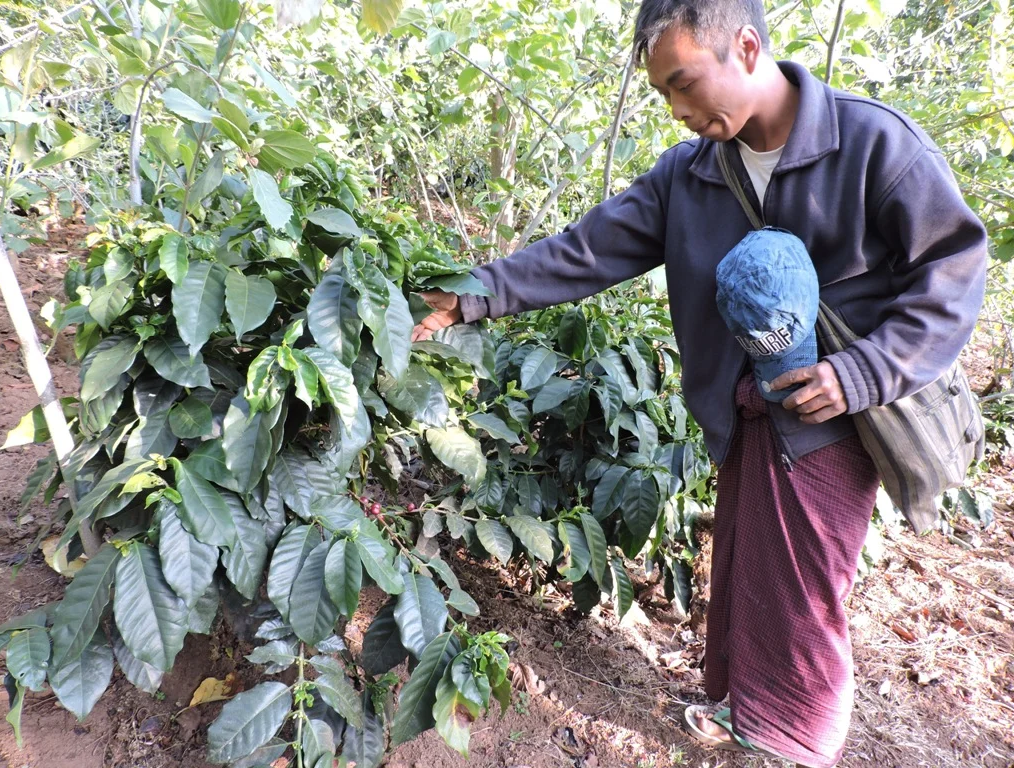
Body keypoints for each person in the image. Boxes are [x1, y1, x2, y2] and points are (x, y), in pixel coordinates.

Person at [411, 0, 988, 765]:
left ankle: (792, 742)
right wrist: (471, 294)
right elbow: (587, 251)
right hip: (745, 406)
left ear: (746, 47)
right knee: (746, 562)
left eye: (685, 84)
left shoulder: (874, 144)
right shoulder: (690, 175)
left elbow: (953, 274)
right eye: (664, 95)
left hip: (839, 416)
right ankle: (740, 706)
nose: (679, 110)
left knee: (801, 594)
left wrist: (862, 372)